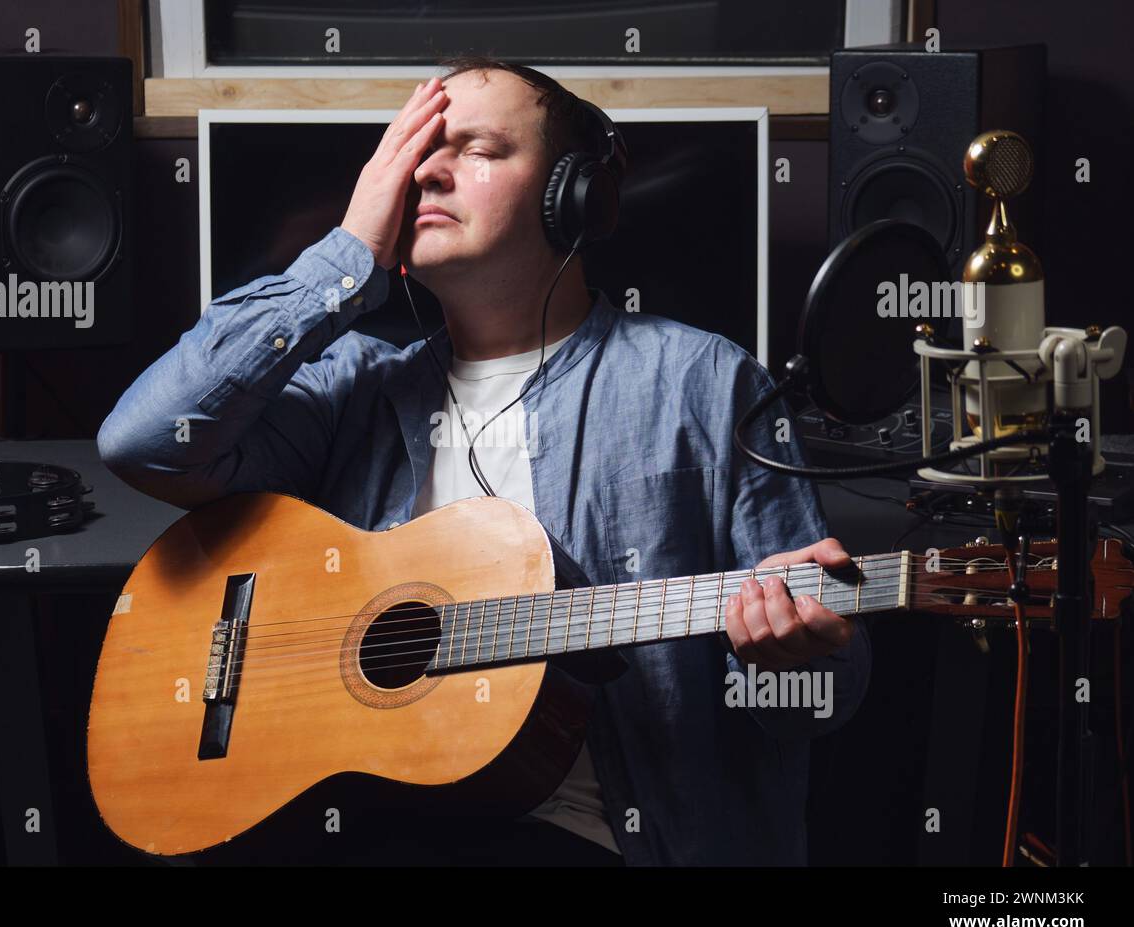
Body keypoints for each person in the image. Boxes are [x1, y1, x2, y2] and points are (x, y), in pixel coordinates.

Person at [97, 55, 871, 866]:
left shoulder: (705, 383)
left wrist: (800, 654)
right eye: (414, 149)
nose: (427, 170)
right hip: (354, 821)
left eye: (475, 149)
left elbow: (824, 698)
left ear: (569, 196)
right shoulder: (354, 389)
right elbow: (142, 441)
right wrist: (347, 253)